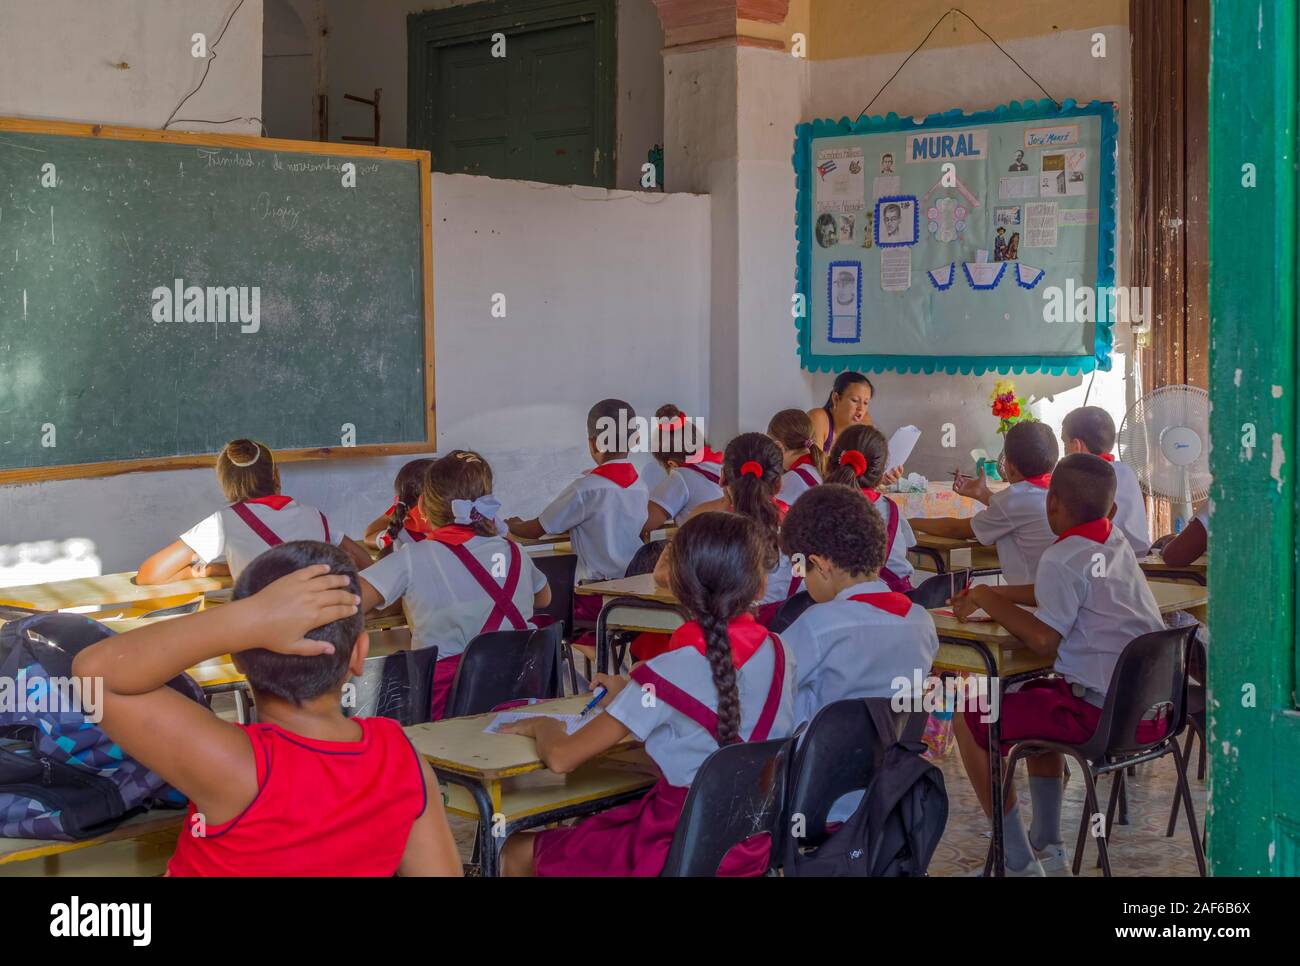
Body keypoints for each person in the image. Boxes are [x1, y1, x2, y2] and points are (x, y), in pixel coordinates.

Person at [74, 541, 461, 876]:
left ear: (236, 657)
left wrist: (248, 618)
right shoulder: (401, 757)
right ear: (359, 653)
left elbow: (94, 676)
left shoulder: (238, 765)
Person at [498, 512, 796, 877]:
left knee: (515, 849)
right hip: (748, 849)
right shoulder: (782, 653)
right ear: (761, 587)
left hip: (668, 849)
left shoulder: (665, 674)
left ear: (676, 587)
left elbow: (562, 758)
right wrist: (632, 695)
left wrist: (543, 725)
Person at [948, 455, 1165, 875]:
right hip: (1150, 715)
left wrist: (988, 597)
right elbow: (1066, 590)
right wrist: (1002, 594)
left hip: (1101, 718)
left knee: (971, 716)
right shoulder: (1113, 542)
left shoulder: (1062, 556)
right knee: (1037, 697)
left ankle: (1015, 862)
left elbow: (1044, 639)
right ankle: (1047, 848)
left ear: (1052, 504)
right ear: (1112, 508)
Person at [137, 438, 371, 583]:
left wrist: (201, 572)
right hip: (318, 635)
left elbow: (150, 574)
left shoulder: (223, 522)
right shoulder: (314, 516)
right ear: (276, 474)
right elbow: (365, 562)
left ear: (225, 482)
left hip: (263, 638)